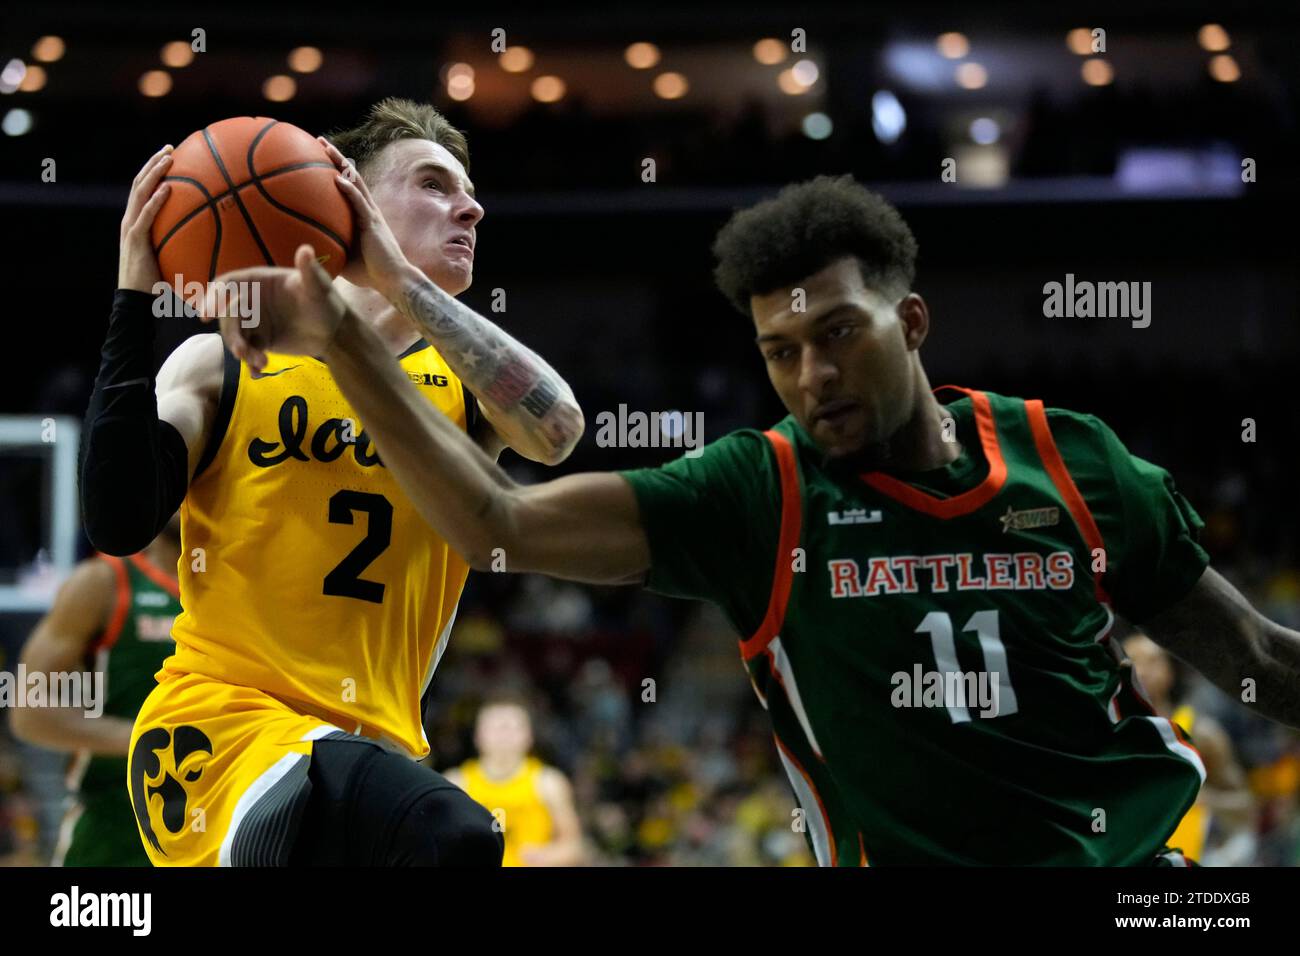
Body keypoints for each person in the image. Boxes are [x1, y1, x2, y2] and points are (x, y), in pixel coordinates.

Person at [203, 173, 1300, 865]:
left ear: (910, 320)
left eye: (838, 334)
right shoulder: (754, 492)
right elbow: (497, 522)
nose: (811, 374)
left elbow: (1252, 651)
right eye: (780, 351)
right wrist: (346, 338)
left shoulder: (1073, 459)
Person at [78, 97, 584, 866]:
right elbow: (115, 520)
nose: (471, 207)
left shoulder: (455, 389)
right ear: (346, 192)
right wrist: (131, 301)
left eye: (468, 190)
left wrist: (403, 279)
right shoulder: (221, 363)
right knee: (454, 835)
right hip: (221, 732)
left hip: (366, 753)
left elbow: (558, 430)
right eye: (434, 184)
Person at [11, 521, 181, 866]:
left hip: (219, 823)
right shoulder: (104, 582)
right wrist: (142, 738)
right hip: (113, 830)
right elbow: (28, 711)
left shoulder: (245, 591)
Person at [1124, 632, 1257, 864]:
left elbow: (1244, 805)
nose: (1142, 671)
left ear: (1169, 670)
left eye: (1151, 661)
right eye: (1131, 662)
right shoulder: (1108, 735)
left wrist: (1205, 800)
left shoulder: (1201, 733)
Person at [445, 695, 585, 866]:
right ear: (477, 736)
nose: (504, 735)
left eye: (512, 727)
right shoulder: (456, 783)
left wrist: (547, 856)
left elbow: (575, 846)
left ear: (529, 736)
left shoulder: (549, 782)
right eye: (495, 727)